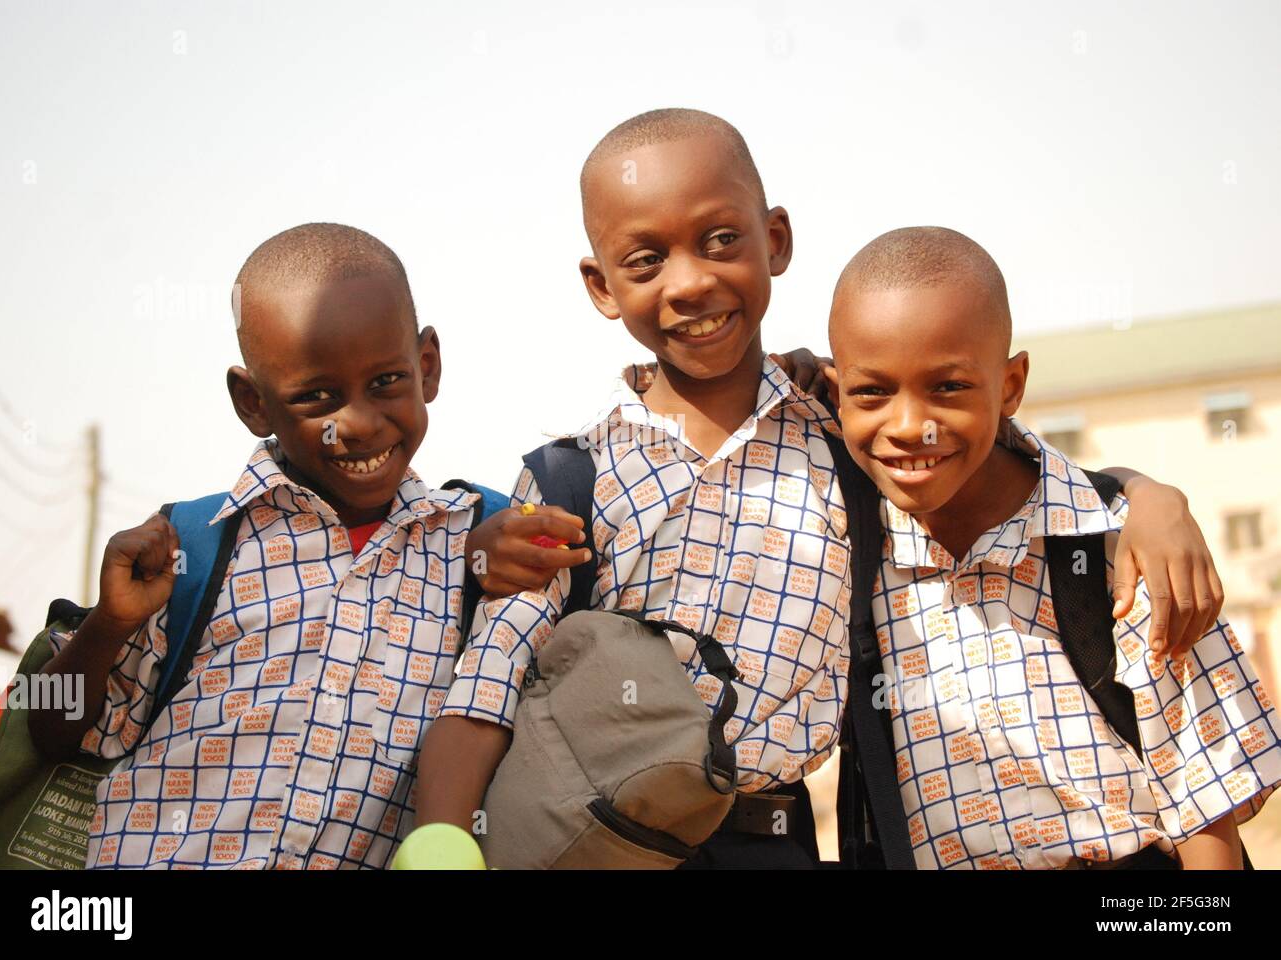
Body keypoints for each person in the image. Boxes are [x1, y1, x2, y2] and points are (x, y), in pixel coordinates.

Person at [416, 109, 1225, 868]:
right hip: (604, 842)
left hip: (778, 840)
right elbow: (487, 682)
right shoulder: (567, 477)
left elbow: (988, 463)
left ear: (776, 240)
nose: (691, 283)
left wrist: (1145, 494)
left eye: (721, 238)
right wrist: (442, 840)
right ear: (601, 286)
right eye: (647, 259)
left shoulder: (842, 434)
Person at [26, 222, 587, 869]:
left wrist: (484, 558)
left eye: (385, 382)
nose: (357, 422)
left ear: (427, 366)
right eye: (316, 398)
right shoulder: (193, 546)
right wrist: (109, 623)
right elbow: (53, 734)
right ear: (252, 402)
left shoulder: (478, 540)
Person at [824, 225, 1280, 868]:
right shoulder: (842, 555)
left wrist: (1146, 494)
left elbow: (1207, 815)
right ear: (835, 390)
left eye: (949, 387)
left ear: (1010, 386)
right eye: (872, 391)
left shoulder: (1121, 551)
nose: (909, 426)